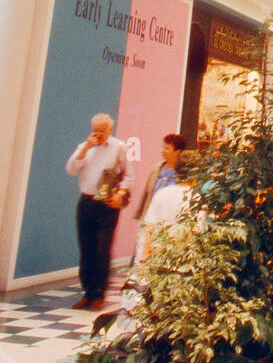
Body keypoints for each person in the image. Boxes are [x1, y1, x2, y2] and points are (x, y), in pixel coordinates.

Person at [65, 113, 132, 310]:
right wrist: (86, 148)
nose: (98, 134)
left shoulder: (119, 147)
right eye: (95, 130)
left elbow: (129, 176)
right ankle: (88, 291)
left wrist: (120, 193)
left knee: (102, 249)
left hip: (107, 204)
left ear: (109, 130)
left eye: (102, 130)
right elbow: (71, 169)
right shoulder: (85, 148)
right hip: (86, 202)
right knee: (86, 248)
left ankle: (99, 295)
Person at [132, 133, 186, 265]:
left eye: (167, 148)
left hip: (169, 221)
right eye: (163, 147)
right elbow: (147, 193)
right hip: (150, 217)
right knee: (143, 251)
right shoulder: (157, 168)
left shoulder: (183, 172)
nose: (163, 151)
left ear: (177, 151)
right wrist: (141, 216)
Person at [141, 150, 199, 261]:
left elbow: (150, 231)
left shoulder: (161, 194)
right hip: (186, 260)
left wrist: (144, 260)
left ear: (175, 172)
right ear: (196, 173)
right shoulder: (198, 198)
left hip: (159, 257)